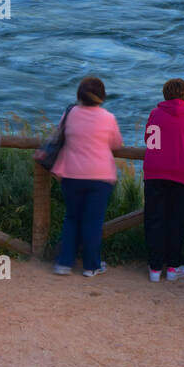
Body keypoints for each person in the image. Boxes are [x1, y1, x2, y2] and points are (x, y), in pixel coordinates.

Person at [52, 76, 122, 278]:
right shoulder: (108, 118)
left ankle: (64, 263)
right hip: (99, 176)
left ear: (79, 95)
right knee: (93, 222)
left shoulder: (70, 113)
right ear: (102, 96)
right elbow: (116, 143)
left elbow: (59, 133)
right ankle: (91, 266)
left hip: (71, 174)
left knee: (72, 218)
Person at [143, 77, 184, 283]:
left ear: (164, 94)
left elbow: (149, 139)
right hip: (181, 173)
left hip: (155, 171)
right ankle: (173, 267)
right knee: (177, 220)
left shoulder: (155, 114)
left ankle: (155, 268)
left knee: (154, 219)